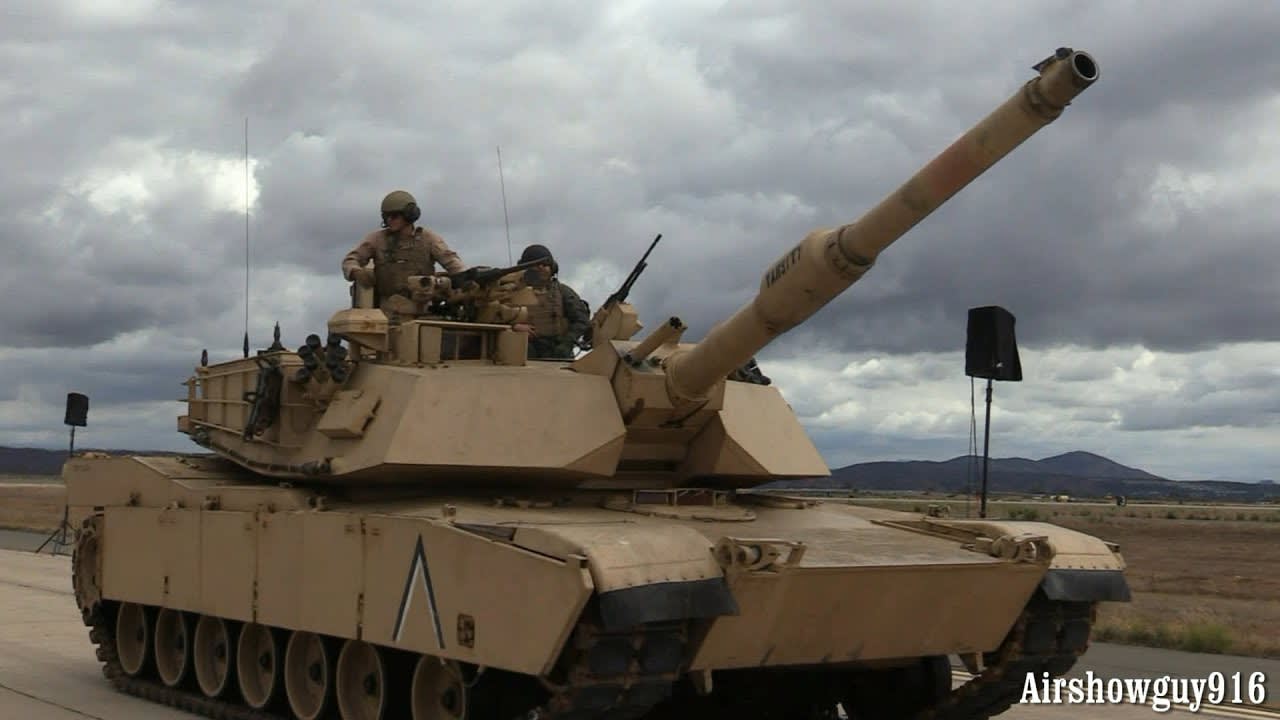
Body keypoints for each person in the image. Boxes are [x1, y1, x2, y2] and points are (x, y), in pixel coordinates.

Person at [341, 190, 466, 315]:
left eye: (394, 216)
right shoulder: (377, 239)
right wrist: (355, 272)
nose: (389, 220)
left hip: (424, 310)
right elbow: (351, 260)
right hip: (386, 311)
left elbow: (452, 263)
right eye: (386, 216)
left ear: (410, 215)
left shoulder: (428, 239)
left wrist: (466, 281)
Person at [512, 244, 589, 359]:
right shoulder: (512, 292)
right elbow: (493, 318)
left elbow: (581, 320)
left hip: (557, 351)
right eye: (536, 264)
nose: (541, 268)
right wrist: (514, 327)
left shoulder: (562, 292)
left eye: (545, 265)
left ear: (552, 268)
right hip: (522, 350)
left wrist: (567, 342)